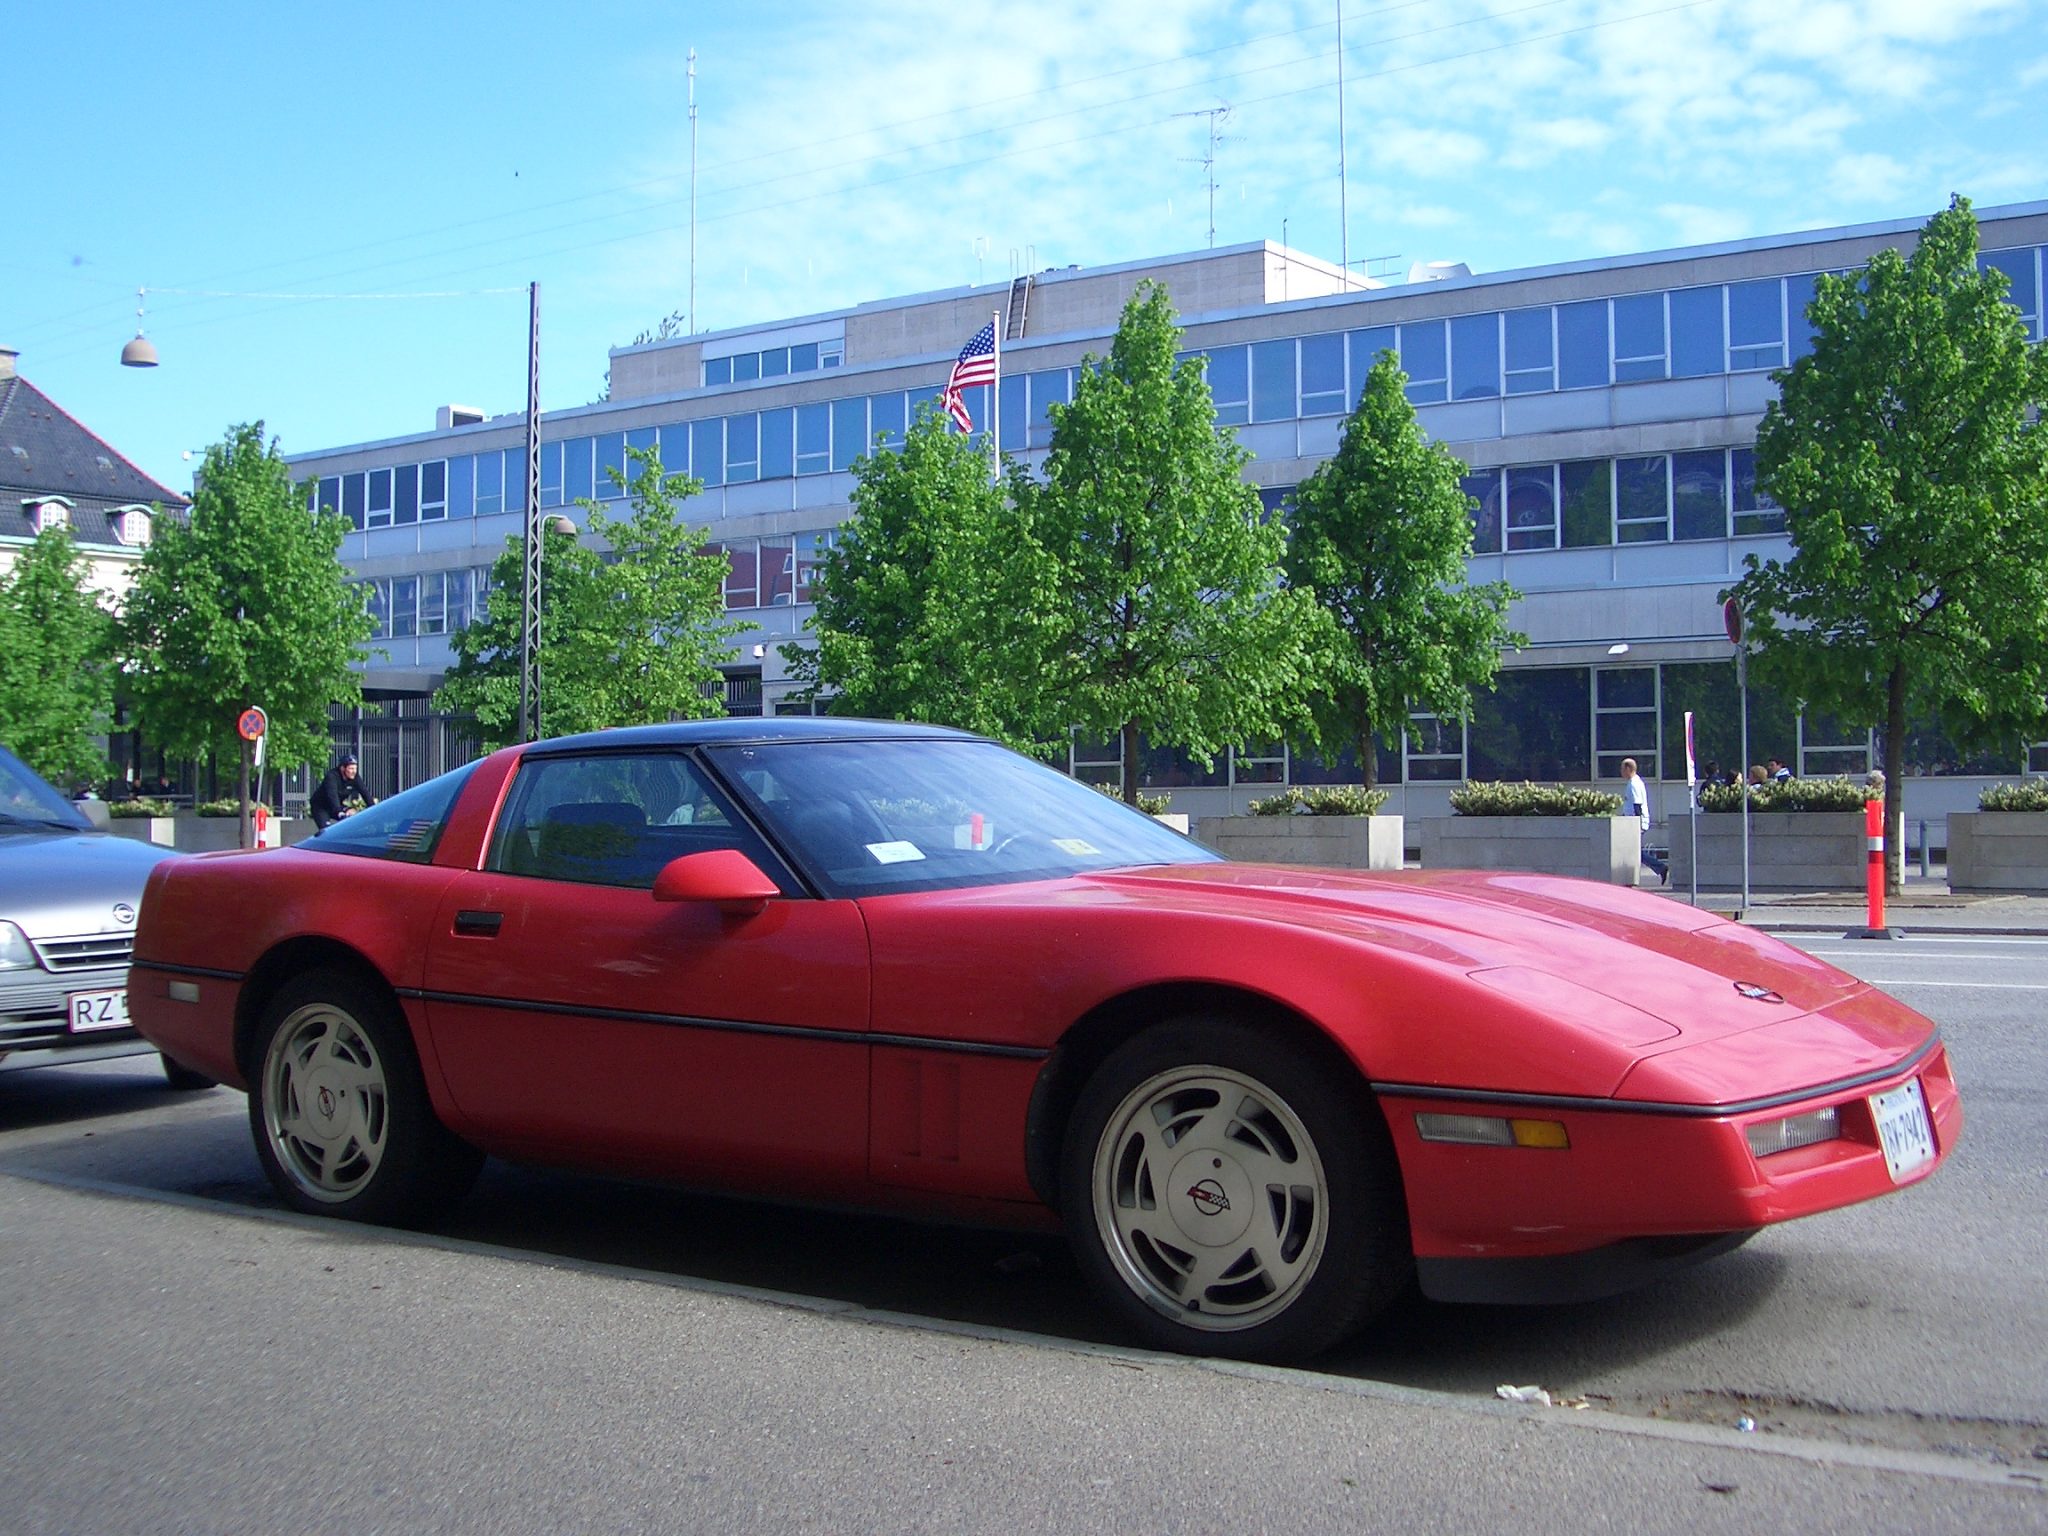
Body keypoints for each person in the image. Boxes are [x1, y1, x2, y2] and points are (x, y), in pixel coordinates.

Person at [1619, 757, 1667, 884]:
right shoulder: (1635, 782)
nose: (1621, 772)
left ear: (1628, 769)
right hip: (1633, 822)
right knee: (1632, 850)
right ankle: (1656, 868)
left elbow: (1637, 805)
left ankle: (1659, 867)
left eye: (1622, 769)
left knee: (1633, 850)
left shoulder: (1633, 784)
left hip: (1635, 823)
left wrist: (1636, 824)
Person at [311, 753, 375, 830]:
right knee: (326, 830)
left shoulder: (355, 777)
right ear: (342, 768)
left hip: (337, 806)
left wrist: (374, 810)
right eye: (351, 769)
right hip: (321, 807)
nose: (354, 771)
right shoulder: (332, 776)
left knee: (352, 817)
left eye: (355, 768)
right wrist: (339, 812)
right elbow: (332, 795)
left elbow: (365, 793)